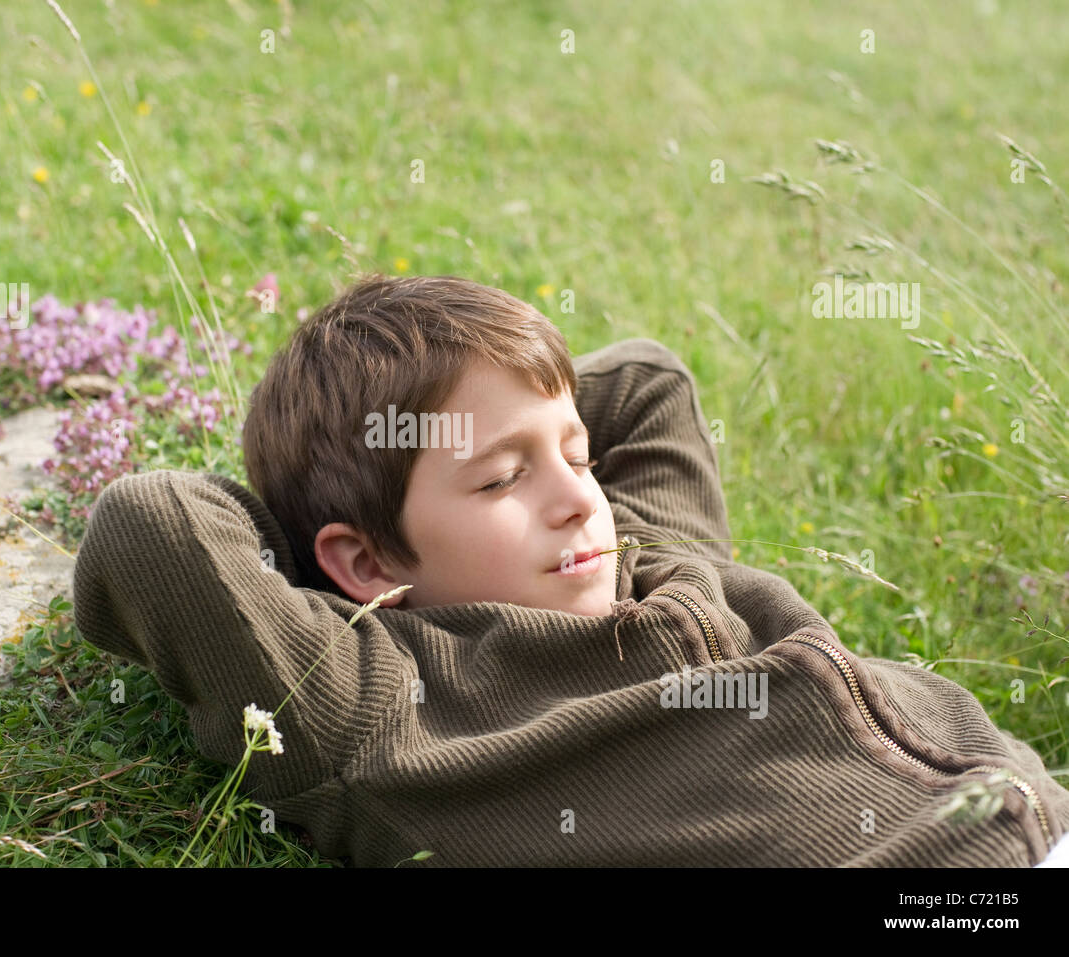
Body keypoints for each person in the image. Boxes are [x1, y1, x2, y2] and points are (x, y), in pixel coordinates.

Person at [72, 274, 1069, 866]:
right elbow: (154, 524)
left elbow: (644, 381)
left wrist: (506, 400)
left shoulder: (633, 558)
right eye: (504, 478)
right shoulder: (382, 706)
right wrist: (334, 536)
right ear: (362, 560)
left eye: (578, 454)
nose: (576, 497)